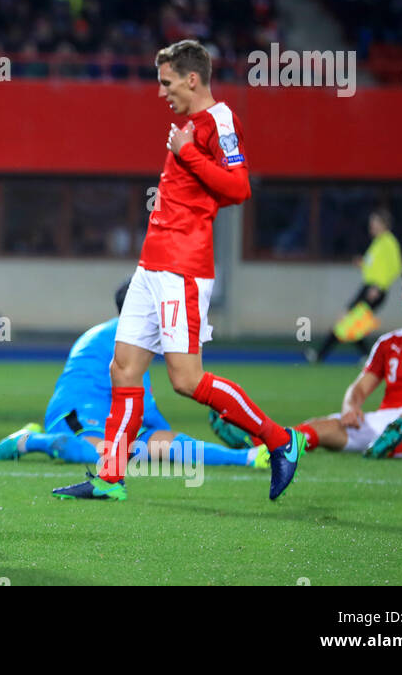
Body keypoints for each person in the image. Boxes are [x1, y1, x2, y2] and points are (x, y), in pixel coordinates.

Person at [53, 39, 304, 502]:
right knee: (123, 369)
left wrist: (187, 152)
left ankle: (279, 439)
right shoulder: (190, 125)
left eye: (167, 83)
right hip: (152, 267)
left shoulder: (218, 121)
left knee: (186, 380)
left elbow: (239, 187)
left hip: (182, 269)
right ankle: (110, 478)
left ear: (193, 78)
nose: (161, 92)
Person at [0, 280, 268, 470]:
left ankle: (248, 457)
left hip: (115, 420)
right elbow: (143, 402)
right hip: (76, 414)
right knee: (95, 455)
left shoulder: (133, 339)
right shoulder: (118, 338)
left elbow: (142, 403)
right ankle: (27, 440)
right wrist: (157, 436)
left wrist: (164, 437)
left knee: (170, 447)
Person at [215, 269, 402, 460]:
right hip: (386, 421)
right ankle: (261, 443)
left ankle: (389, 447)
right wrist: (351, 406)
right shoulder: (389, 342)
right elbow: (359, 387)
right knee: (322, 426)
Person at [310, 209, 402, 363]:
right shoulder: (378, 243)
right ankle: (367, 356)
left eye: (375, 222)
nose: (371, 225)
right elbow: (376, 267)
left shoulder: (388, 242)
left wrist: (379, 287)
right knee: (352, 324)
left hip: (374, 289)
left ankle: (321, 355)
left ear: (384, 224)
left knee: (348, 321)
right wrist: (363, 263)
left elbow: (395, 267)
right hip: (368, 287)